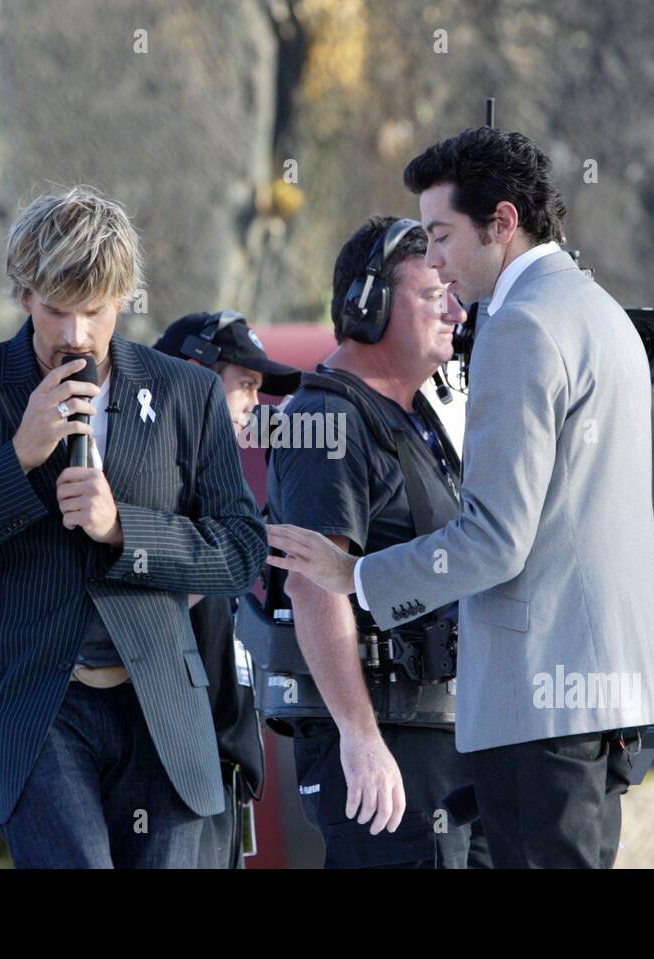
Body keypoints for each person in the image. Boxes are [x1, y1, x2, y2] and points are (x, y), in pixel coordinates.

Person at [268, 129, 654, 868]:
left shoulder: (522, 323)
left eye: (443, 238)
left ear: (501, 223)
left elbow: (498, 538)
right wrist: (359, 733)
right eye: (425, 263)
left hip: (539, 699)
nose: (443, 273)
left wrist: (361, 578)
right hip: (585, 697)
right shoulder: (593, 311)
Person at [0, 186, 266, 868]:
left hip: (162, 714)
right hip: (32, 711)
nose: (74, 335)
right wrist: (16, 459)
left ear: (123, 298)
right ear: (24, 294)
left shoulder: (187, 392)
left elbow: (240, 552)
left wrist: (125, 531)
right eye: (56, 309)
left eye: (94, 311)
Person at [261, 215, 491, 868]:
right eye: (431, 295)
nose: (454, 309)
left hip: (447, 739)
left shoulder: (417, 419)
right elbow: (312, 585)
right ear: (370, 307)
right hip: (391, 744)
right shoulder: (326, 419)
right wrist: (360, 738)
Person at [152, 310, 301, 868]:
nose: (254, 404)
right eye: (245, 384)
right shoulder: (144, 480)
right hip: (171, 771)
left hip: (225, 769)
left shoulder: (218, 489)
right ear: (193, 373)